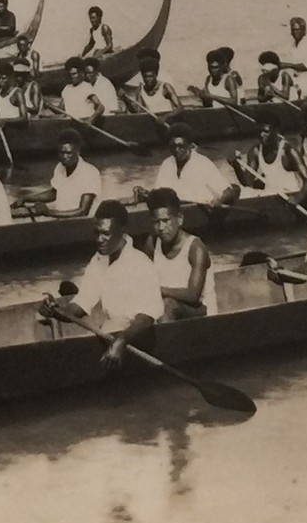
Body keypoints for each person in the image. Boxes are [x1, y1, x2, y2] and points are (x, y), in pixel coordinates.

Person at [39, 201, 162, 366]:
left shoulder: (141, 264)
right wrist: (56, 311)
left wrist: (122, 341)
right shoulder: (98, 260)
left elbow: (147, 317)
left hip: (140, 336)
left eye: (105, 233)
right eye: (96, 232)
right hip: (114, 333)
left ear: (122, 232)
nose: (99, 239)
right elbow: (83, 303)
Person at [144, 190, 217, 320]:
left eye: (166, 220)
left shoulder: (195, 247)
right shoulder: (153, 242)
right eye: (156, 222)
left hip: (201, 313)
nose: (161, 227)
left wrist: (158, 290)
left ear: (179, 219)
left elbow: (193, 296)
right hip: (166, 309)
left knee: (168, 305)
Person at [148, 122, 241, 209]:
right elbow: (158, 191)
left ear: (190, 145)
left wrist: (220, 200)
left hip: (201, 211)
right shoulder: (167, 163)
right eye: (173, 146)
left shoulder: (202, 163)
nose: (177, 150)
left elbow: (229, 191)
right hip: (177, 210)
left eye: (181, 146)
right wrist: (146, 194)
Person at [15, 129, 102, 219]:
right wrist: (26, 198)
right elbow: (54, 193)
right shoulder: (60, 167)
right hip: (61, 221)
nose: (64, 157)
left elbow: (83, 211)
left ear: (78, 151)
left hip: (82, 224)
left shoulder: (90, 173)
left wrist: (48, 212)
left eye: (68, 153)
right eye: (61, 152)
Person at [233, 120, 305, 196]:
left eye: (266, 132)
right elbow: (248, 183)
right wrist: (236, 166)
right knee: (242, 192)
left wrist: (298, 198)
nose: (261, 135)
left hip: (290, 195)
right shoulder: (255, 151)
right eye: (259, 131)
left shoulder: (288, 151)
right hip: (270, 195)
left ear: (276, 131)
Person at [58, 56, 105, 123]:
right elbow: (60, 110)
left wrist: (90, 120)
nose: (72, 77)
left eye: (74, 74)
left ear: (80, 73)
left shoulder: (86, 87)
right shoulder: (66, 89)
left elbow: (101, 107)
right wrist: (48, 105)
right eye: (70, 74)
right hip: (70, 123)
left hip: (84, 123)